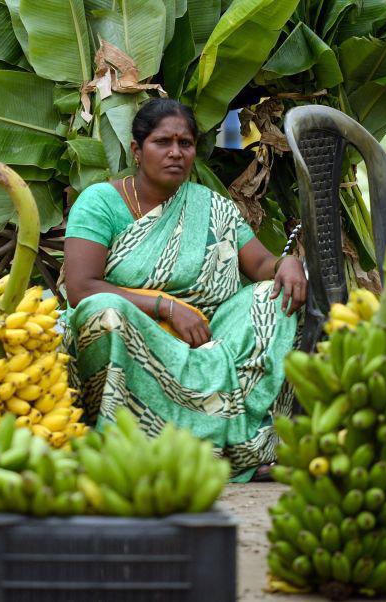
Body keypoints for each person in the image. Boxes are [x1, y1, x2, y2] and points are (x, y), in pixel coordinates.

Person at [61, 98, 307, 482]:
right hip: (134, 331)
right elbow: (80, 287)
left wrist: (286, 263)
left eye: (186, 143)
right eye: (163, 142)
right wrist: (166, 309)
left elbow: (260, 265)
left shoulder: (211, 206)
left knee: (273, 297)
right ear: (137, 151)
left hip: (208, 334)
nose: (176, 152)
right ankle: (132, 449)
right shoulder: (101, 203)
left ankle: (233, 445)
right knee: (103, 310)